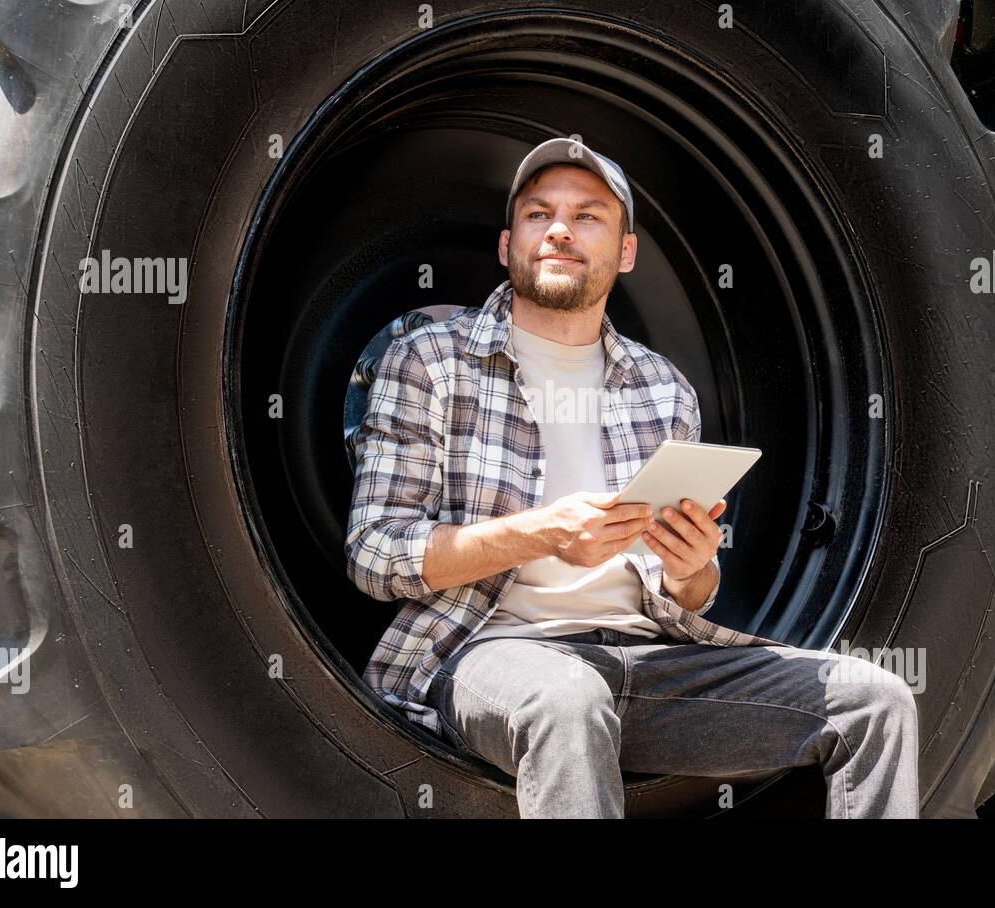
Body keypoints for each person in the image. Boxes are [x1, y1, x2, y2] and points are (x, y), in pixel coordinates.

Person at [346, 136, 919, 818]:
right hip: (495, 655)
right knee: (568, 699)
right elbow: (375, 555)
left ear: (624, 253)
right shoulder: (429, 363)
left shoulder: (662, 389)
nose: (559, 228)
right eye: (538, 214)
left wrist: (693, 568)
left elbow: (689, 598)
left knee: (876, 700)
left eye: (588, 215)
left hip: (649, 662)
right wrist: (540, 534)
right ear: (507, 246)